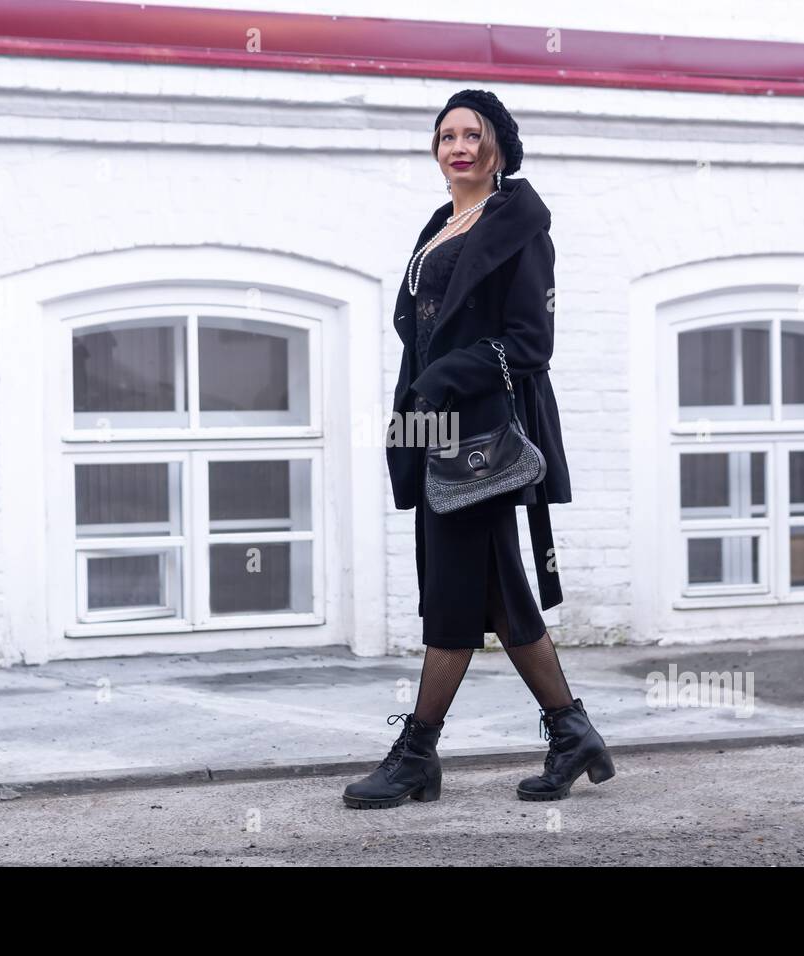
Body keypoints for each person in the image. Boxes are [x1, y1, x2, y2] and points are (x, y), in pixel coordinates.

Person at [343, 89, 615, 809]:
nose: (457, 147)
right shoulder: (440, 225)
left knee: (456, 599)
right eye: (445, 137)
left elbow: (529, 345)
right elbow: (423, 335)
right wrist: (410, 416)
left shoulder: (519, 227)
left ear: (498, 145)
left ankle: (416, 756)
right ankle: (570, 732)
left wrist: (441, 382)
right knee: (498, 596)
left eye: (472, 134)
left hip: (482, 440)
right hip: (437, 431)